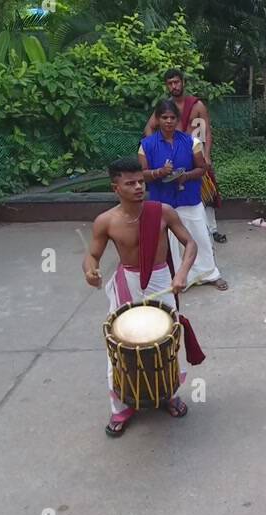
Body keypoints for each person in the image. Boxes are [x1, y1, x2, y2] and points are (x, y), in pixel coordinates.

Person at [83, 158, 198, 437]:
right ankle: (121, 407)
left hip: (161, 280)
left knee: (166, 343)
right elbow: (92, 255)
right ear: (116, 188)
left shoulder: (163, 212)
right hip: (127, 285)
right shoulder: (106, 221)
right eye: (130, 183)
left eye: (141, 182)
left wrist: (181, 273)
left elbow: (190, 243)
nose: (138, 187)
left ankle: (167, 394)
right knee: (121, 348)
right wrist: (90, 272)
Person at [139, 100, 228, 291]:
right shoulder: (146, 145)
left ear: (178, 120)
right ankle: (180, 279)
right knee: (170, 241)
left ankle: (210, 273)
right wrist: (159, 173)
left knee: (199, 236)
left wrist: (185, 176)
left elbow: (202, 168)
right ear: (158, 119)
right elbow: (141, 174)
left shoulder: (191, 142)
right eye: (164, 117)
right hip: (163, 200)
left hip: (189, 198)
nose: (169, 121)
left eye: (172, 118)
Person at [143, 69, 226, 244]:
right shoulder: (166, 107)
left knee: (207, 195)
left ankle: (212, 230)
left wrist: (207, 155)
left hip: (194, 155)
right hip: (170, 158)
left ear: (183, 82)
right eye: (170, 83)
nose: (174, 86)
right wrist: (155, 148)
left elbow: (205, 132)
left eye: (176, 82)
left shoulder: (196, 105)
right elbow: (149, 128)